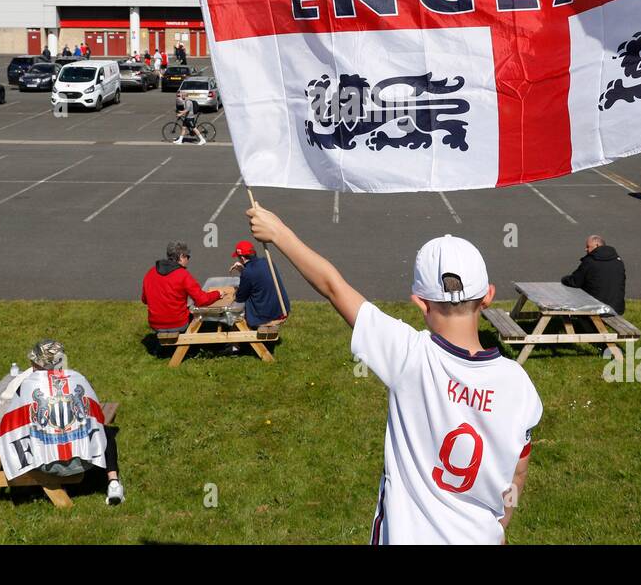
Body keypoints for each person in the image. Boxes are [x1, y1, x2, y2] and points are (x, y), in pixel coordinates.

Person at [245, 205, 541, 544]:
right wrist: (498, 528)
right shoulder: (518, 384)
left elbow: (333, 287)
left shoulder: (408, 355)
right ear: (488, 296)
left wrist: (278, 231)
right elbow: (518, 472)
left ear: (419, 302)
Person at [2, 340, 124, 505]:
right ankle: (113, 482)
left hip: (46, 465)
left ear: (36, 362)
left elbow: (10, 421)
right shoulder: (77, 378)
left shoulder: (28, 386)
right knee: (105, 431)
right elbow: (97, 414)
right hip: (86, 460)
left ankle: (32, 488)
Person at [141, 240, 234, 333]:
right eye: (187, 257)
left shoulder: (150, 273)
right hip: (178, 323)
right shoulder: (182, 274)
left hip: (155, 324)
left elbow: (144, 300)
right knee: (202, 320)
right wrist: (218, 293)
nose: (188, 260)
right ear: (181, 257)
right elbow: (202, 300)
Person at [229, 240, 290, 327]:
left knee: (237, 302)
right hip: (281, 308)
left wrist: (243, 272)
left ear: (242, 258)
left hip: (266, 316)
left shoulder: (248, 273)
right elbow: (257, 277)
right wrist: (244, 270)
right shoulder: (267, 261)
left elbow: (240, 298)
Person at [560, 235, 626, 314]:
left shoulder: (590, 261)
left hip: (597, 309)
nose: (586, 249)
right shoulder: (618, 261)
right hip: (617, 309)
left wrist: (564, 279)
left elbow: (575, 281)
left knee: (576, 292)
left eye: (588, 247)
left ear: (597, 245)